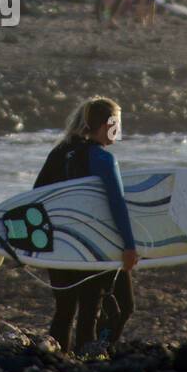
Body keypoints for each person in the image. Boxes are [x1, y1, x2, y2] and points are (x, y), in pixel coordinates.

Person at [34, 97, 137, 351]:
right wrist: (129, 246)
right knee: (108, 307)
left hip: (59, 245)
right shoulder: (102, 159)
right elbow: (117, 204)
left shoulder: (58, 153)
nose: (119, 131)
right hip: (94, 246)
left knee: (65, 309)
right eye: (117, 125)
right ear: (105, 124)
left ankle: (57, 366)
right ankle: (89, 360)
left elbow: (36, 197)